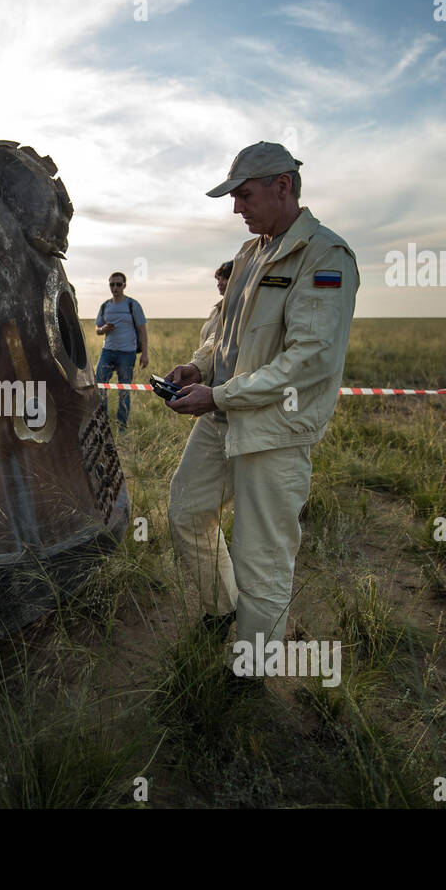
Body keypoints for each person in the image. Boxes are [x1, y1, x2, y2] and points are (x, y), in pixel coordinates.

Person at [163, 142, 359, 681]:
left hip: (273, 431)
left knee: (262, 557)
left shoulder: (324, 256)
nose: (236, 208)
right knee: (186, 511)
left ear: (283, 186)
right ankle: (220, 608)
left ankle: (251, 671)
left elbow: (308, 361)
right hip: (220, 413)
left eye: (244, 195)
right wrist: (198, 369)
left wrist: (220, 395)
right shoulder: (250, 255)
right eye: (233, 197)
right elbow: (224, 336)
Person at [94, 271, 148, 432]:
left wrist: (145, 353)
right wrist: (103, 329)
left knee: (124, 390)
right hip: (107, 351)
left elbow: (142, 330)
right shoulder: (105, 306)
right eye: (112, 284)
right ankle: (102, 424)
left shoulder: (133, 305)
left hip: (127, 353)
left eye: (118, 284)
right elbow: (97, 329)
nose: (115, 287)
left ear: (125, 285)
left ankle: (121, 427)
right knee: (99, 386)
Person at [200, 260, 233, 346]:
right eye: (218, 279)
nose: (219, 284)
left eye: (224, 278)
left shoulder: (239, 309)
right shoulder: (216, 310)